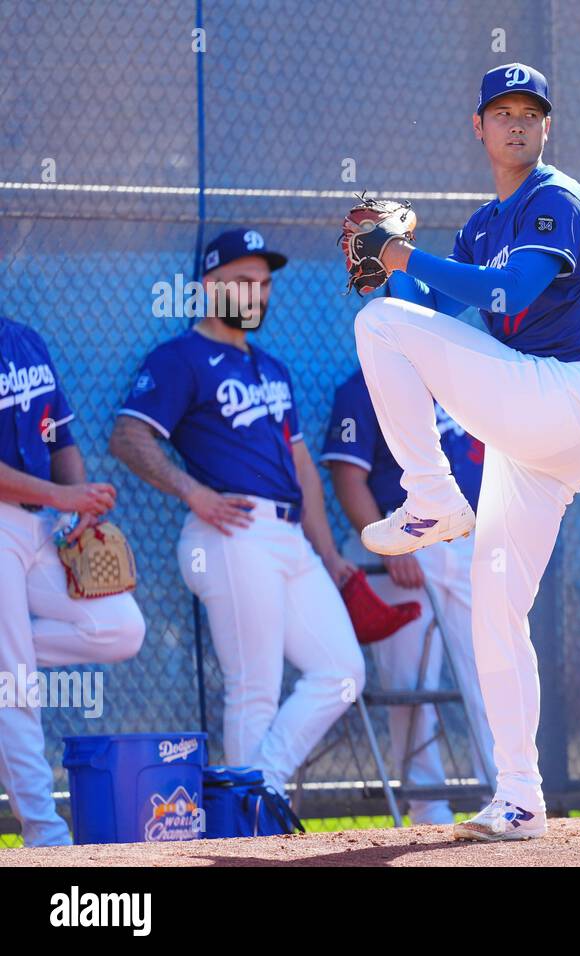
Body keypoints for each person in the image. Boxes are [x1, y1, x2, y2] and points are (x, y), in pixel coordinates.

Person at [347, 63, 580, 841]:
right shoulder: (479, 225)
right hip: (527, 435)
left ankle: (431, 495)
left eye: (530, 112)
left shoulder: (553, 200)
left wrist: (404, 262)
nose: (516, 124)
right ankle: (522, 797)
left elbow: (510, 297)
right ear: (479, 128)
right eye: (501, 112)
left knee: (383, 330)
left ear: (545, 127)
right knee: (496, 610)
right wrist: (382, 276)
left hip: (563, 399)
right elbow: (434, 314)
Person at [109, 228, 365, 796]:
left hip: (291, 539)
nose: (258, 293)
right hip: (230, 534)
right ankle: (248, 824)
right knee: (254, 686)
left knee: (344, 672)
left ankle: (257, 789)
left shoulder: (272, 368)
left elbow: (302, 468)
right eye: (244, 281)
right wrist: (193, 492)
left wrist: (327, 553)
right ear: (209, 286)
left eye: (265, 283)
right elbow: (127, 437)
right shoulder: (182, 358)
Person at [322, 352, 497, 824]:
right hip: (407, 542)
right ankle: (428, 809)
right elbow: (347, 477)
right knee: (411, 687)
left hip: (474, 536)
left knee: (493, 668)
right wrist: (384, 547)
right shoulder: (362, 385)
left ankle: (506, 793)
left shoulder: (458, 375)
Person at [0, 314, 146, 846]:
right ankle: (45, 836)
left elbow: (60, 438)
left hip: (41, 522)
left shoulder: (24, 338)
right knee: (13, 686)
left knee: (120, 627)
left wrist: (76, 504)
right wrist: (65, 497)